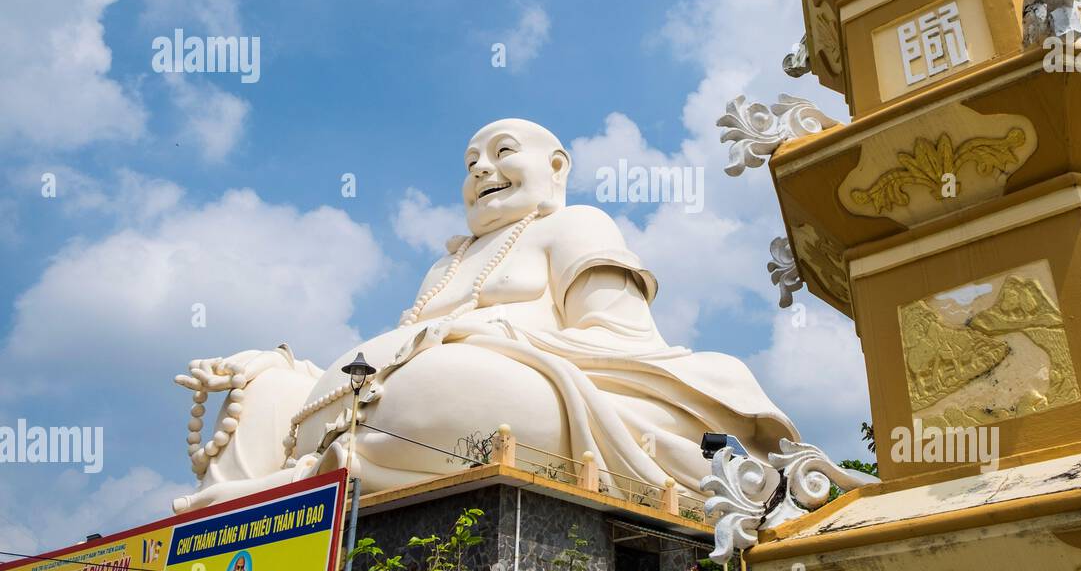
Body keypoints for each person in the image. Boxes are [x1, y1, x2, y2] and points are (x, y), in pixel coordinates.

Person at [174, 119, 797, 512]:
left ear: (557, 168)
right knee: (269, 384)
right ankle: (270, 491)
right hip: (398, 400)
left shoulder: (576, 225)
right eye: (471, 162)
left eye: (502, 152)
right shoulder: (443, 268)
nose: (479, 169)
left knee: (447, 380)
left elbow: (619, 338)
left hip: (524, 390)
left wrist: (482, 332)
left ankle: (316, 476)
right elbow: (376, 363)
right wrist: (281, 370)